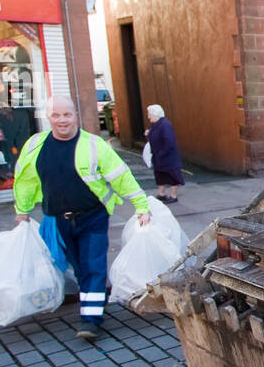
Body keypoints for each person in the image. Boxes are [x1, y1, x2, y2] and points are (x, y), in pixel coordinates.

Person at [13, 96, 151, 342]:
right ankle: (92, 299)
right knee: (79, 268)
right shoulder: (35, 145)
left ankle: (91, 319)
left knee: (93, 266)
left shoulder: (94, 145)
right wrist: (21, 210)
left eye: (67, 114)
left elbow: (121, 176)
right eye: (56, 115)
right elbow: (25, 180)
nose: (62, 120)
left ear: (76, 115)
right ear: (48, 117)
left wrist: (141, 205)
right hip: (57, 221)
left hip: (92, 217)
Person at [143, 104, 184, 203]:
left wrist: (161, 154)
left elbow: (169, 141)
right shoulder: (156, 124)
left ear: (155, 114)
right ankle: (161, 194)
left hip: (167, 157)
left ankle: (173, 196)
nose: (148, 116)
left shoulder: (165, 125)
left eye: (149, 114)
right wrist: (149, 133)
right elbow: (156, 136)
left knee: (172, 175)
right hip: (158, 156)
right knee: (160, 175)